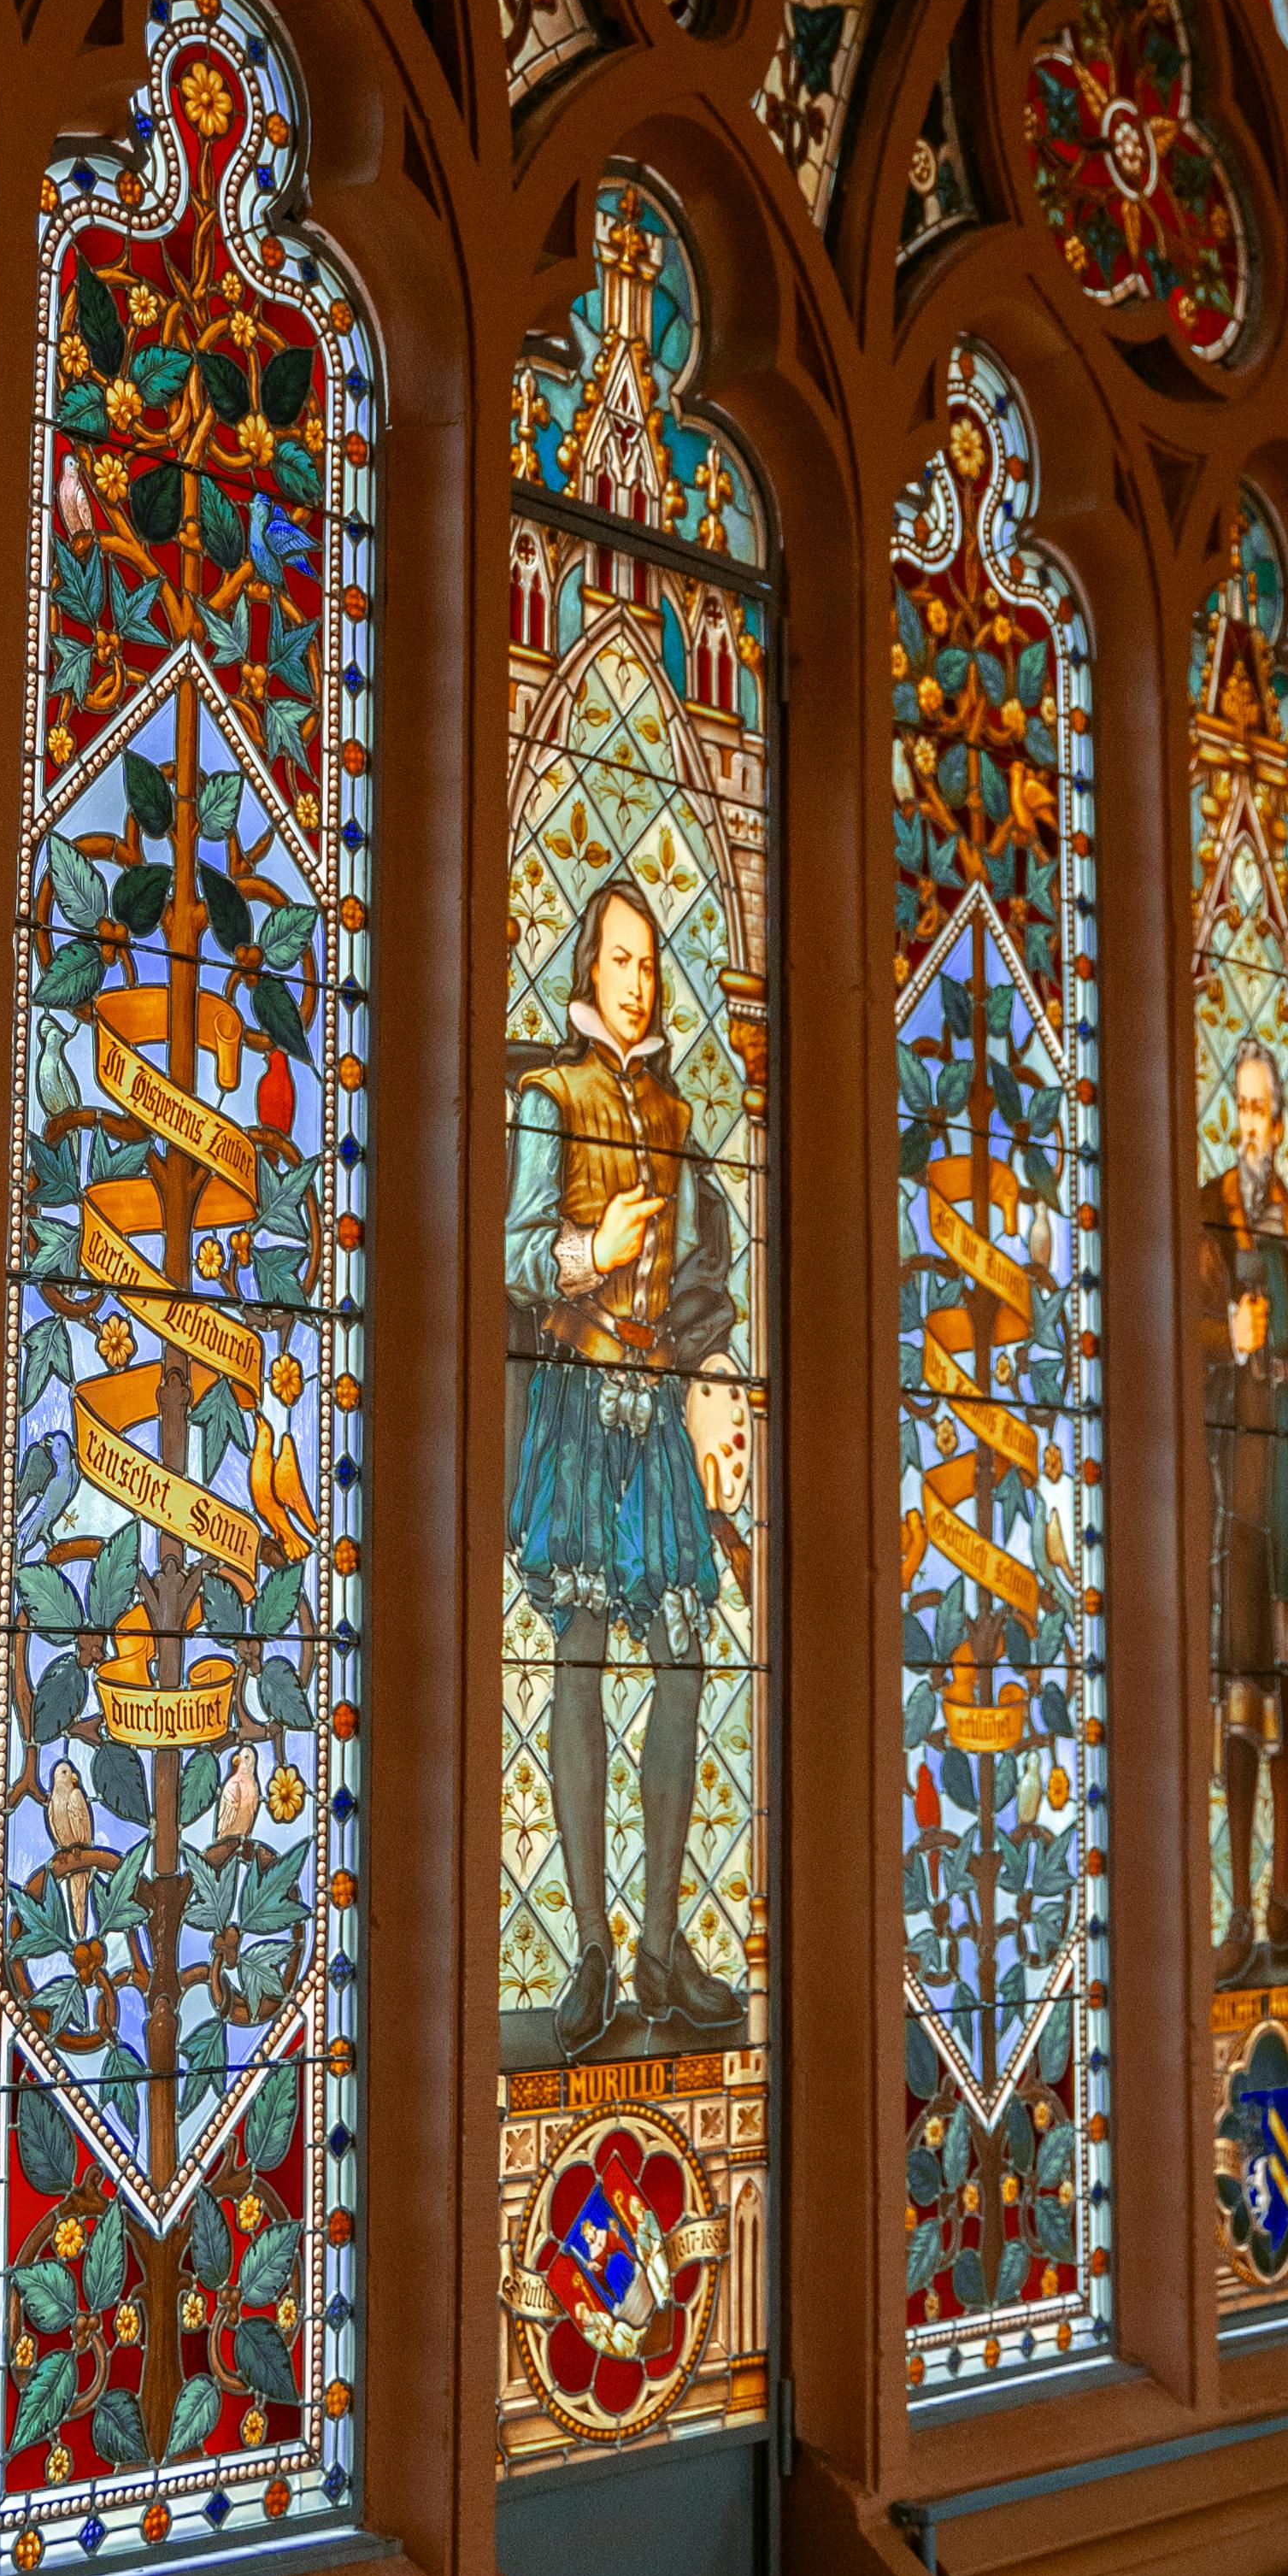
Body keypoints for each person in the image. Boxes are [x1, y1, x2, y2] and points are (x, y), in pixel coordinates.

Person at [506, 873, 747, 2057]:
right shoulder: (551, 1099)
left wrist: (713, 1388)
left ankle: (662, 1947)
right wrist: (586, 1250)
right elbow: (508, 1253)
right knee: (584, 1662)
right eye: (620, 959)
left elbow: (712, 1271)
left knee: (688, 1661)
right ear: (583, 973)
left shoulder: (676, 1119)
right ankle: (592, 1957)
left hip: (655, 1414)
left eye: (651, 961)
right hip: (577, 1403)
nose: (640, 979)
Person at [1198, 1036, 1288, 1980]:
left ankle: (1287, 1890)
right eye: (1243, 1109)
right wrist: (1227, 1334)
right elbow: (1168, 1322)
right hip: (1234, 1492)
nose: (1255, 1126)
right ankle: (1238, 1906)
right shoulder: (1207, 1213)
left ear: (1282, 1122)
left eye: (1267, 1111)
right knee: (1241, 1695)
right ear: (1231, 1117)